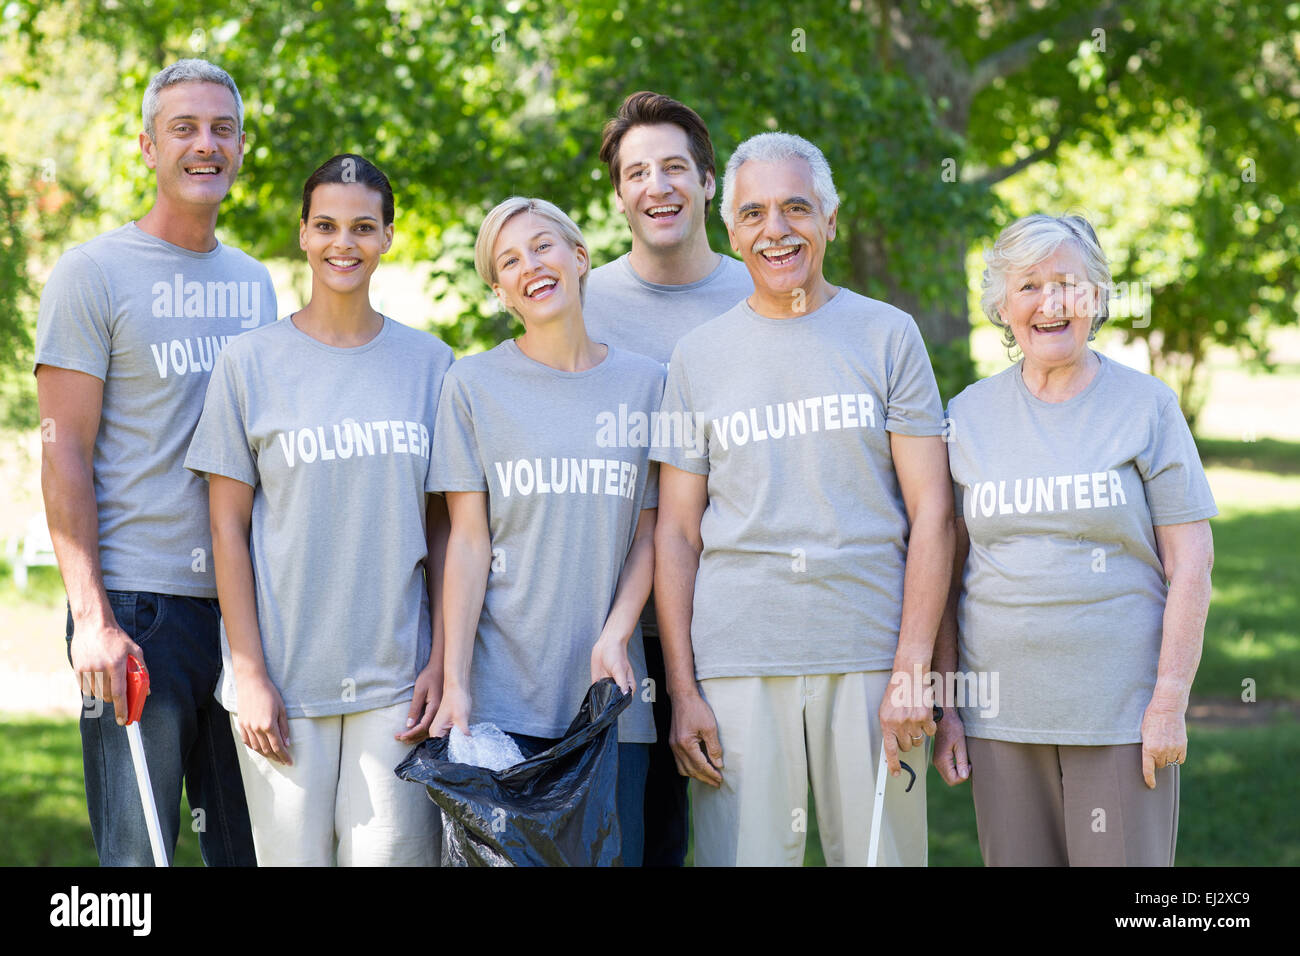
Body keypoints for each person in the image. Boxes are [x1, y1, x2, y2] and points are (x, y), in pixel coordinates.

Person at [651, 132, 954, 866]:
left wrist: (915, 668)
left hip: (870, 654)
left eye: (796, 208)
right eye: (753, 213)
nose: (775, 230)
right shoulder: (697, 357)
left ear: (830, 219)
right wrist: (684, 691)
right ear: (731, 231)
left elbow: (934, 514)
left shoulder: (888, 334)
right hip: (738, 660)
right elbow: (678, 535)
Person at [35, 59, 272, 866]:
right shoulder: (92, 274)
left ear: (241, 146)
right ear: (147, 146)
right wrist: (92, 616)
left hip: (242, 615)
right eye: (184, 128)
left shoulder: (255, 284)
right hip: (138, 613)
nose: (205, 145)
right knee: (137, 865)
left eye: (222, 129)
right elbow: (61, 448)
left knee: (246, 853)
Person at [184, 154, 452, 866]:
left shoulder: (431, 366)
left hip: (399, 684)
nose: (345, 243)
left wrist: (445, 661)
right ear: (303, 233)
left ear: (389, 237)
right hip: (284, 685)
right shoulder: (249, 363)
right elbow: (226, 530)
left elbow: (447, 530)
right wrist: (250, 675)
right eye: (327, 225)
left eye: (364, 227)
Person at [932, 213, 1217, 866]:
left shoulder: (1147, 407)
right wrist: (948, 705)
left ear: (1097, 296)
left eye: (1069, 284)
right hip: (1001, 717)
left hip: (1120, 717)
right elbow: (947, 571)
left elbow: (1192, 562)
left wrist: (1169, 701)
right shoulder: (966, 415)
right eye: (1029, 286)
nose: (1051, 303)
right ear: (1002, 306)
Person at [428, 197, 665, 866]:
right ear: (500, 291)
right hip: (499, 703)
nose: (530, 266)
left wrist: (617, 633)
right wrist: (455, 682)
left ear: (580, 256)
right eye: (510, 261)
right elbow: (468, 543)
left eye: (542, 247)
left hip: (610, 702)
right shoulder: (471, 385)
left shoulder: (647, 385)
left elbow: (651, 533)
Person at [585, 91, 753, 866]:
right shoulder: (576, 304)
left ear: (709, 183)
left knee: (730, 838)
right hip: (607, 630)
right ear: (619, 193)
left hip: (731, 622)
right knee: (628, 842)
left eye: (676, 168)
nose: (659, 186)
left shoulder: (761, 294)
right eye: (638, 172)